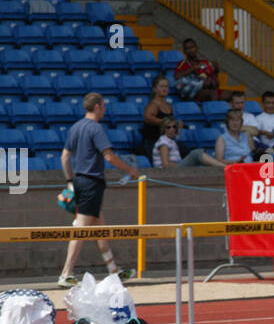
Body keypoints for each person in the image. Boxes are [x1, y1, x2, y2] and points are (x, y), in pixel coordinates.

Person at [57, 92, 139, 288]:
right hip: (91, 183)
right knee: (80, 229)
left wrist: (70, 181)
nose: (105, 110)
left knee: (100, 228)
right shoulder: (96, 129)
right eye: (103, 106)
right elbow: (109, 157)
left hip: (79, 181)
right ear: (97, 107)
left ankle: (113, 271)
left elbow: (65, 157)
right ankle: (65, 273)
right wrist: (130, 169)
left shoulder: (75, 127)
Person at [153, 118, 224, 169]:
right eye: (168, 127)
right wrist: (182, 164)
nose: (172, 129)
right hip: (168, 171)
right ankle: (224, 167)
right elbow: (166, 165)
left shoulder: (171, 141)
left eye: (174, 127)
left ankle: (223, 167)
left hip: (175, 168)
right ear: (163, 129)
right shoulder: (163, 142)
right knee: (196, 153)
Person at [173, 38, 219, 103]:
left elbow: (214, 78)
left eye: (192, 47)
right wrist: (194, 68)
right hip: (195, 91)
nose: (190, 50)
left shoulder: (204, 62)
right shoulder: (182, 63)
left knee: (233, 94)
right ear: (184, 51)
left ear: (197, 48)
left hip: (209, 88)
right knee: (213, 94)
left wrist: (216, 70)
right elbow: (176, 76)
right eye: (187, 48)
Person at [140, 73, 175, 158]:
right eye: (161, 86)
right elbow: (147, 117)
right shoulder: (153, 105)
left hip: (166, 141)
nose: (164, 89)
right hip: (152, 142)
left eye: (166, 86)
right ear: (155, 89)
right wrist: (165, 122)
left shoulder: (168, 106)